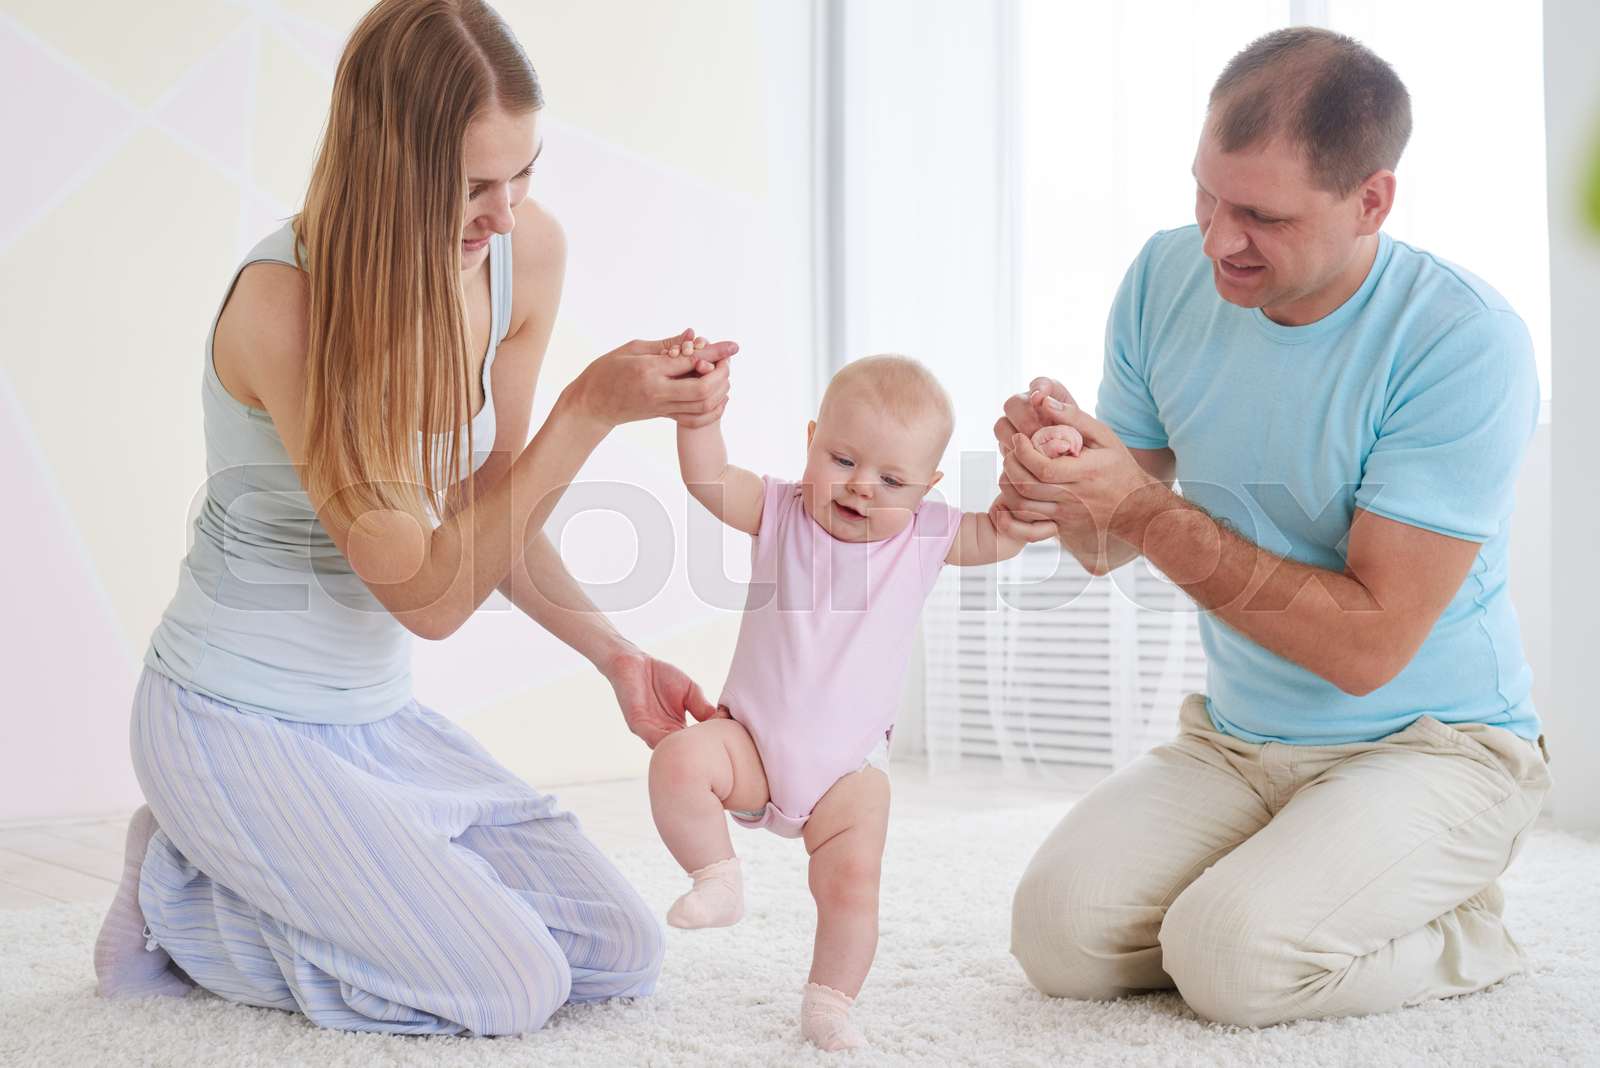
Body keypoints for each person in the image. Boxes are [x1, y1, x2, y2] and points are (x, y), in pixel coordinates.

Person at [92, 0, 736, 1036]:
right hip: (231, 718)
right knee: (506, 987)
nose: (505, 210)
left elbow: (489, 511)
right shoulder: (287, 303)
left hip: (372, 719)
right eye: (473, 186)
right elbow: (430, 598)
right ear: (389, 168)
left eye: (524, 173)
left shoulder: (523, 256)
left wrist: (614, 656)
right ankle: (182, 891)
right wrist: (588, 413)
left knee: (618, 951)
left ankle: (271, 869)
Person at [998, 27, 1551, 1027]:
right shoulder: (1167, 279)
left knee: (1229, 965)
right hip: (1240, 743)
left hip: (1434, 747)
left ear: (1370, 201)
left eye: (1260, 214)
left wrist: (1135, 504)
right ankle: (1302, 881)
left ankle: (1463, 922)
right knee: (1058, 938)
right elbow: (1102, 545)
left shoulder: (1461, 339)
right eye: (1205, 194)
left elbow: (1366, 646)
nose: (1218, 238)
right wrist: (1058, 482)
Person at [648, 354, 1057, 1050]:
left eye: (892, 480)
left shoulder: (927, 535)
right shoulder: (779, 508)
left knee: (852, 886)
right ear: (811, 441)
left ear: (927, 489)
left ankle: (829, 1004)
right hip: (747, 743)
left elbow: (1000, 533)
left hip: (847, 773)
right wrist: (699, 417)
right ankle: (717, 877)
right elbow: (707, 478)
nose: (863, 487)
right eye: (842, 459)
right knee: (679, 759)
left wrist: (1033, 497)